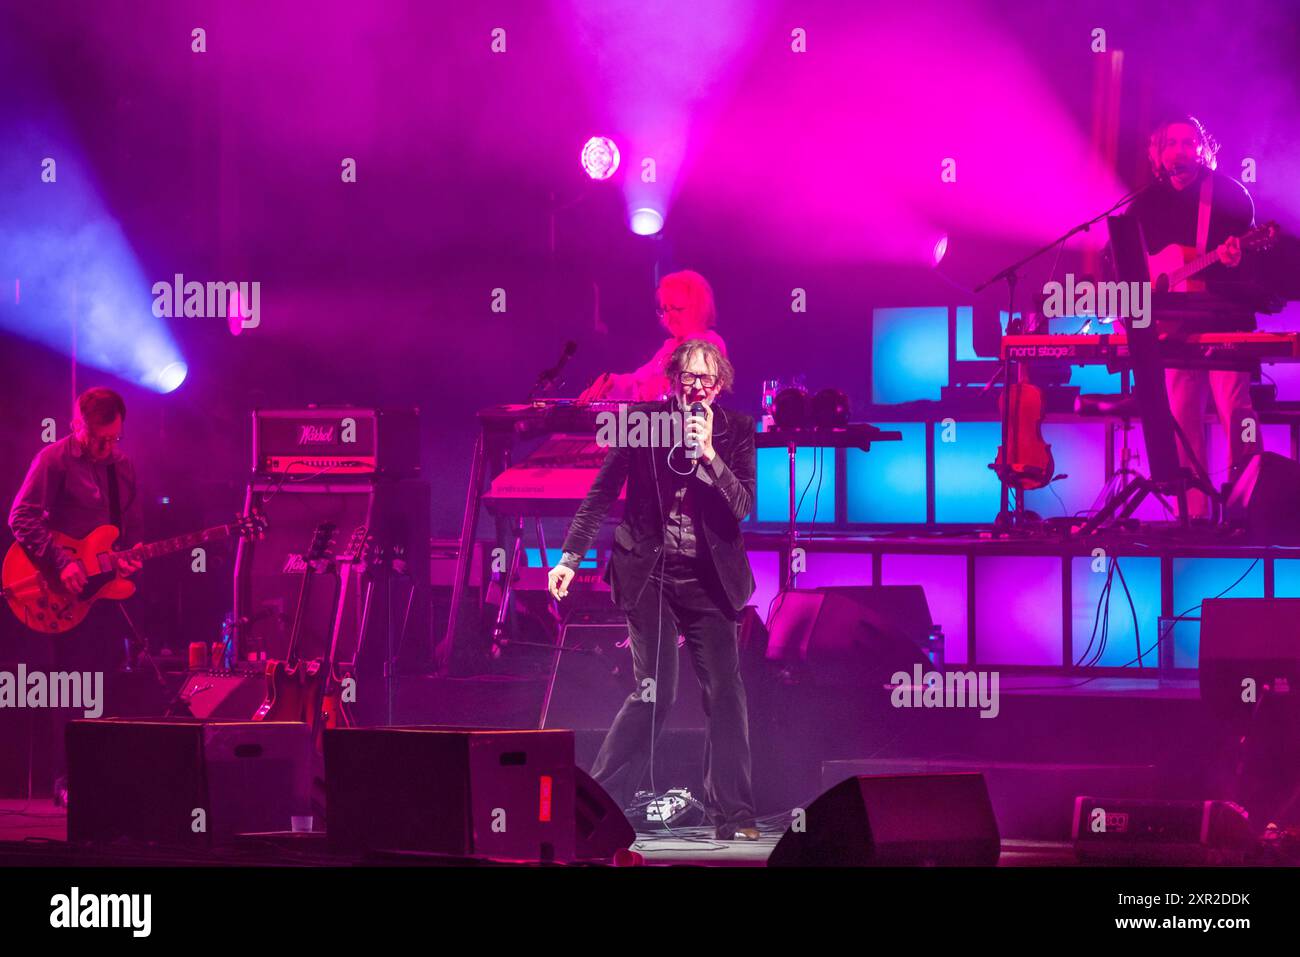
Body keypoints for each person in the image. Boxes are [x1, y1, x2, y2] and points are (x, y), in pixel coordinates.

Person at [549, 339, 760, 840]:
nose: (697, 388)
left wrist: (708, 455)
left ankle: (733, 815)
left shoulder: (736, 430)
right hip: (652, 574)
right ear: (673, 380)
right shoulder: (642, 423)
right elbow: (601, 493)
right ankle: (592, 806)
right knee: (654, 691)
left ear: (720, 385)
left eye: (707, 379)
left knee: (726, 692)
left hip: (709, 580)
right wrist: (569, 557)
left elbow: (743, 506)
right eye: (688, 377)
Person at [9, 387, 142, 804]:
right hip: (57, 587)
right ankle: (66, 780)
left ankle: (99, 775)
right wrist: (61, 561)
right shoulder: (54, 459)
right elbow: (21, 516)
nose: (105, 447)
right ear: (76, 425)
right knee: (72, 682)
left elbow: (127, 534)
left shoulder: (123, 466)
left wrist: (129, 558)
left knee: (108, 679)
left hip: (101, 591)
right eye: (97, 438)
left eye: (113, 438)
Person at [1129, 114, 1260, 518]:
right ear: (1158, 154)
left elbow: (1259, 265)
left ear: (1203, 149)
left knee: (1235, 412)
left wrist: (1238, 258)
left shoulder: (1230, 196)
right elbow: (1127, 260)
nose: (1181, 151)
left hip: (1224, 322)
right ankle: (1194, 514)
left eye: (1189, 143)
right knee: (1182, 420)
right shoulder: (1146, 202)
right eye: (1171, 144)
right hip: (1172, 328)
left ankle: (1250, 505)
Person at [578, 269, 728, 403]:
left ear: (699, 307)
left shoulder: (710, 344)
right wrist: (612, 382)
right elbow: (639, 382)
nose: (668, 318)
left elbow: (680, 390)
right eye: (665, 309)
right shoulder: (670, 347)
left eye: (676, 308)